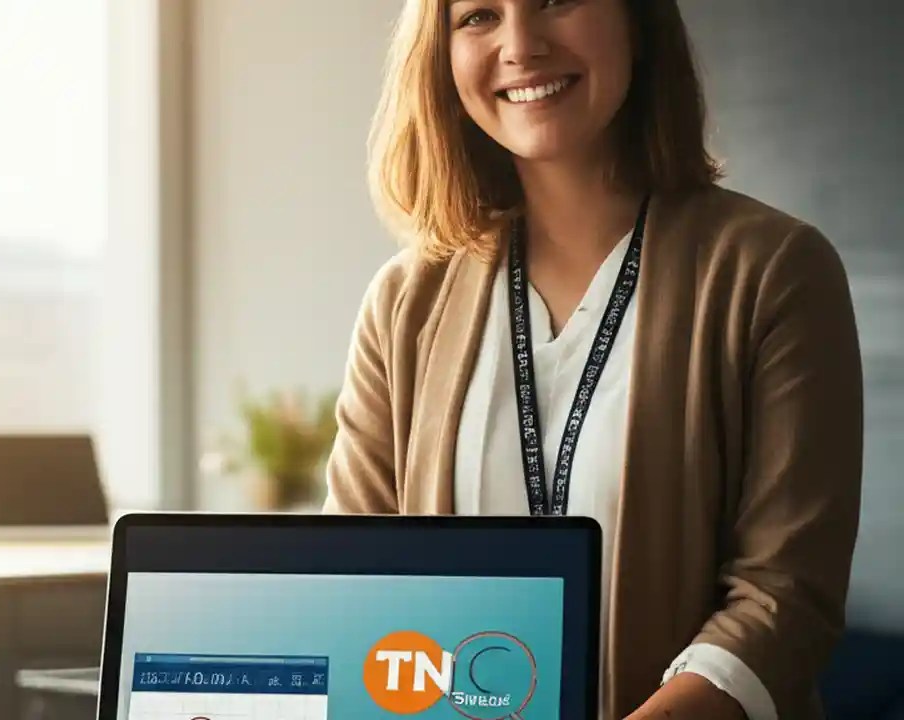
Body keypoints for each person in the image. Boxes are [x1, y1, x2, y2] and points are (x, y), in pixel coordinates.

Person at [321, 1, 864, 718]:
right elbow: (351, 583)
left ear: (637, 20)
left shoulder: (774, 272)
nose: (521, 44)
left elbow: (782, 598)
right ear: (441, 55)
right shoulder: (403, 303)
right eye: (479, 15)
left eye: (556, 0)